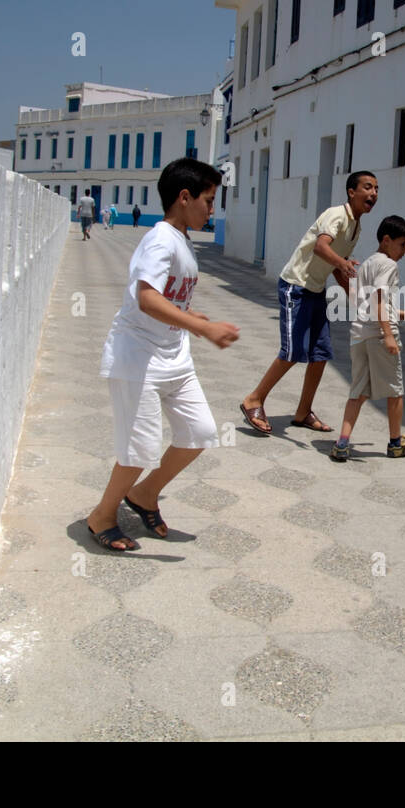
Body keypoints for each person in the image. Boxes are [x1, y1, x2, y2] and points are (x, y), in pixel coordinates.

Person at [86, 158, 240, 551]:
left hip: (173, 355)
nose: (212, 209)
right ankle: (101, 516)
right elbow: (147, 298)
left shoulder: (181, 240)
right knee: (140, 449)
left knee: (200, 432)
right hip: (138, 357)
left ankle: (143, 495)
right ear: (183, 197)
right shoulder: (158, 239)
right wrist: (202, 327)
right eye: (208, 200)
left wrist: (189, 315)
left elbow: (166, 296)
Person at [239, 171, 378, 435]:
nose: (373, 194)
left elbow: (338, 269)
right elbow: (321, 248)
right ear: (352, 192)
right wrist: (342, 263)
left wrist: (360, 303)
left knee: (320, 354)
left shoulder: (356, 227)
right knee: (293, 351)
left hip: (315, 290)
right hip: (296, 286)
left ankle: (303, 411)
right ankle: (253, 400)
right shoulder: (336, 215)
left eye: (376, 189)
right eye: (368, 187)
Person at [330, 215, 405, 461]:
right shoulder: (389, 265)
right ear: (387, 240)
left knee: (357, 391)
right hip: (379, 335)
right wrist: (388, 334)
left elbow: (361, 300)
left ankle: (343, 443)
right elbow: (378, 298)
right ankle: (396, 443)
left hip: (359, 335)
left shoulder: (367, 263)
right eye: (403, 244)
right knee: (395, 391)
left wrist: (394, 311)